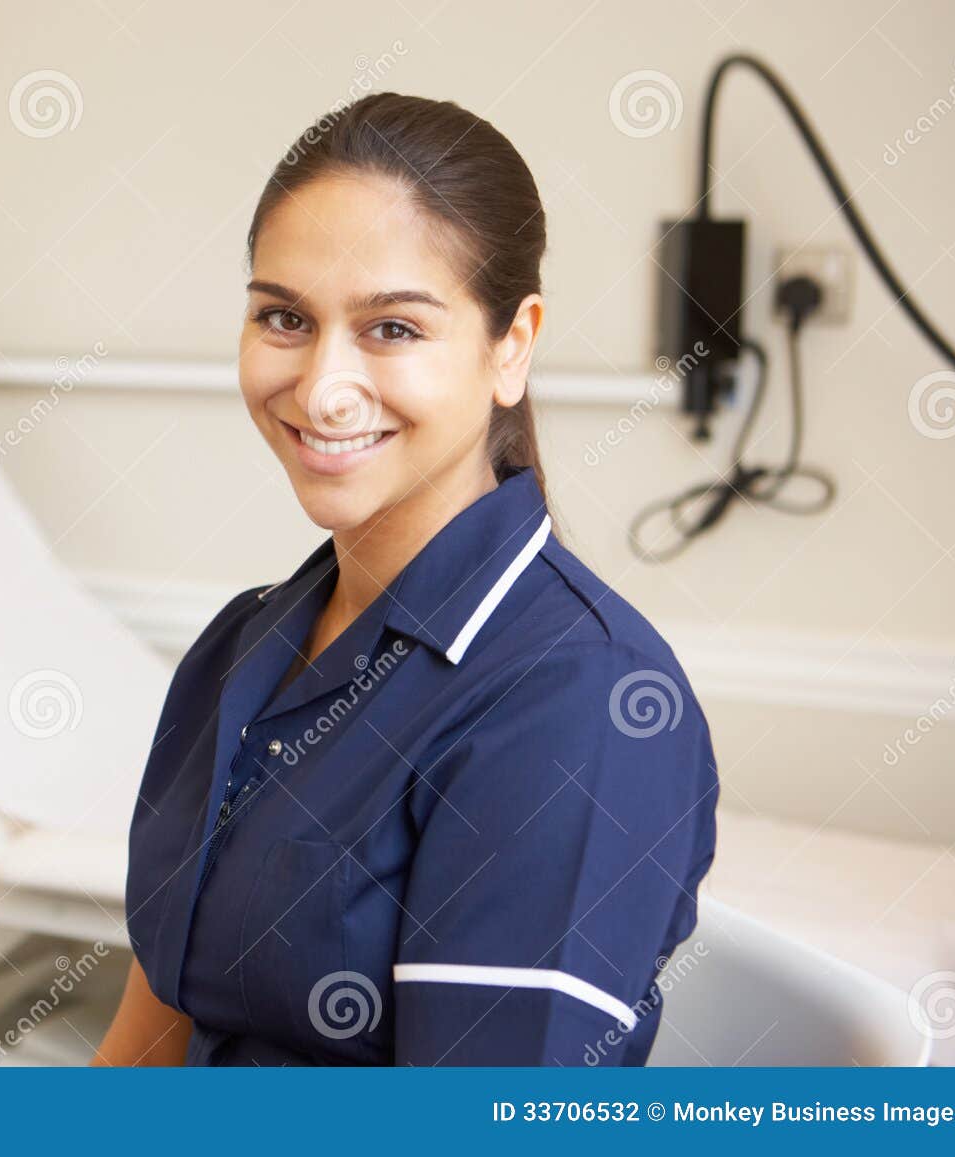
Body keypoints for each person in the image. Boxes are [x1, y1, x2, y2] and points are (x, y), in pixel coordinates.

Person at [94, 92, 718, 1066]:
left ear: (511, 344)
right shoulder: (241, 647)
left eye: (391, 328)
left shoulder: (576, 700)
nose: (321, 387)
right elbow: (149, 1038)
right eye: (284, 317)